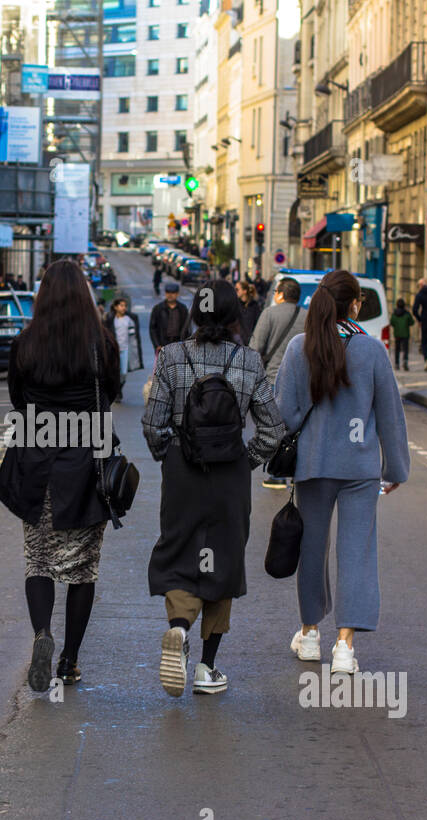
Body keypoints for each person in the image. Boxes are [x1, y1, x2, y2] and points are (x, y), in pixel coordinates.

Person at [142, 280, 284, 697]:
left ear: (196, 313)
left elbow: (153, 426)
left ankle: (179, 629)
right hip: (229, 478)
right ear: (231, 315)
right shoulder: (249, 361)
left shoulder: (171, 357)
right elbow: (272, 430)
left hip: (183, 474)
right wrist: (245, 459)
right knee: (222, 559)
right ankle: (206, 667)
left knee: (180, 548)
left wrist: (170, 455)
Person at [275, 270, 410, 676]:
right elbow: (390, 415)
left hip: (313, 465)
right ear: (354, 305)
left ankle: (310, 632)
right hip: (359, 467)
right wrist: (396, 467)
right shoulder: (371, 352)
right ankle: (345, 647)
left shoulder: (300, 348)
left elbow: (285, 414)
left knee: (311, 550)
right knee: (357, 553)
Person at [0, 259, 119, 691]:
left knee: (39, 561)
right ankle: (69, 661)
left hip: (37, 464)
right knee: (83, 569)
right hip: (87, 465)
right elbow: (113, 393)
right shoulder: (101, 343)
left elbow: (17, 398)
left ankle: (42, 633)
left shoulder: (26, 343)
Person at [248, 276, 303, 488]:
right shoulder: (308, 316)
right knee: (299, 427)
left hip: (275, 379)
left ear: (280, 294)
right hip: (303, 381)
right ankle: (299, 472)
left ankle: (278, 473)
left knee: (274, 426)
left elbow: (256, 347)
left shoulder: (269, 314)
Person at [149, 282, 190, 352]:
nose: (170, 295)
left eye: (173, 293)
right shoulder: (158, 308)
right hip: (163, 344)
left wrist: (186, 343)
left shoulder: (182, 309)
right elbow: (153, 328)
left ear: (177, 294)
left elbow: (187, 327)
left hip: (179, 344)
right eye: (168, 292)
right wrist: (157, 345)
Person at [107, 297, 133, 400]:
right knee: (114, 372)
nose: (123, 308)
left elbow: (133, 337)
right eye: (121, 305)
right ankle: (117, 393)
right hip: (113, 350)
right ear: (115, 307)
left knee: (123, 373)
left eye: (125, 306)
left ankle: (119, 389)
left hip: (125, 349)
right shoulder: (111, 320)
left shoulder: (129, 320)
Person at [389, 297, 416, 371]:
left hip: (397, 334)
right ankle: (405, 361)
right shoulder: (407, 314)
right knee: (405, 349)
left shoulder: (394, 314)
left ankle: (397, 364)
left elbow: (392, 322)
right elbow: (412, 322)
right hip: (405, 334)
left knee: (397, 349)